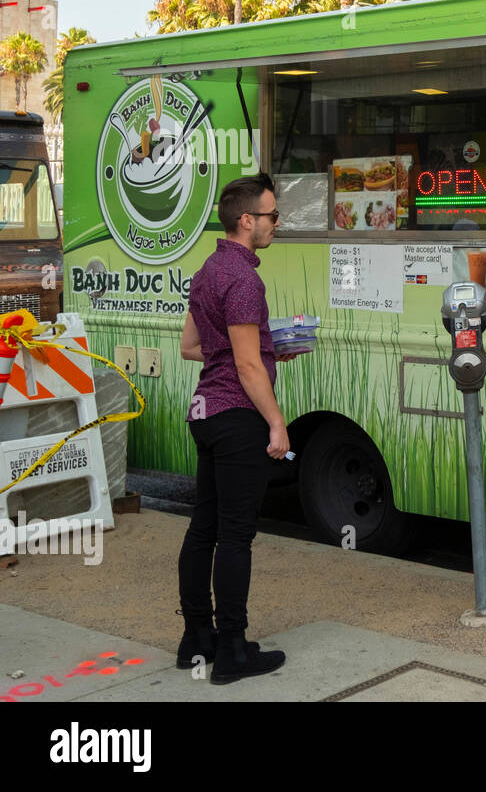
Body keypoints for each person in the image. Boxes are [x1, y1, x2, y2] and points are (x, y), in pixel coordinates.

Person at [176, 173, 297, 685]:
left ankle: (195, 639)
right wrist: (276, 422)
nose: (276, 225)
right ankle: (232, 651)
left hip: (205, 412)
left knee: (204, 529)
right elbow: (246, 368)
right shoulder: (245, 279)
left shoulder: (208, 269)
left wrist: (265, 347)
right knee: (236, 536)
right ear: (247, 220)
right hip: (236, 417)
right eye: (272, 216)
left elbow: (191, 346)